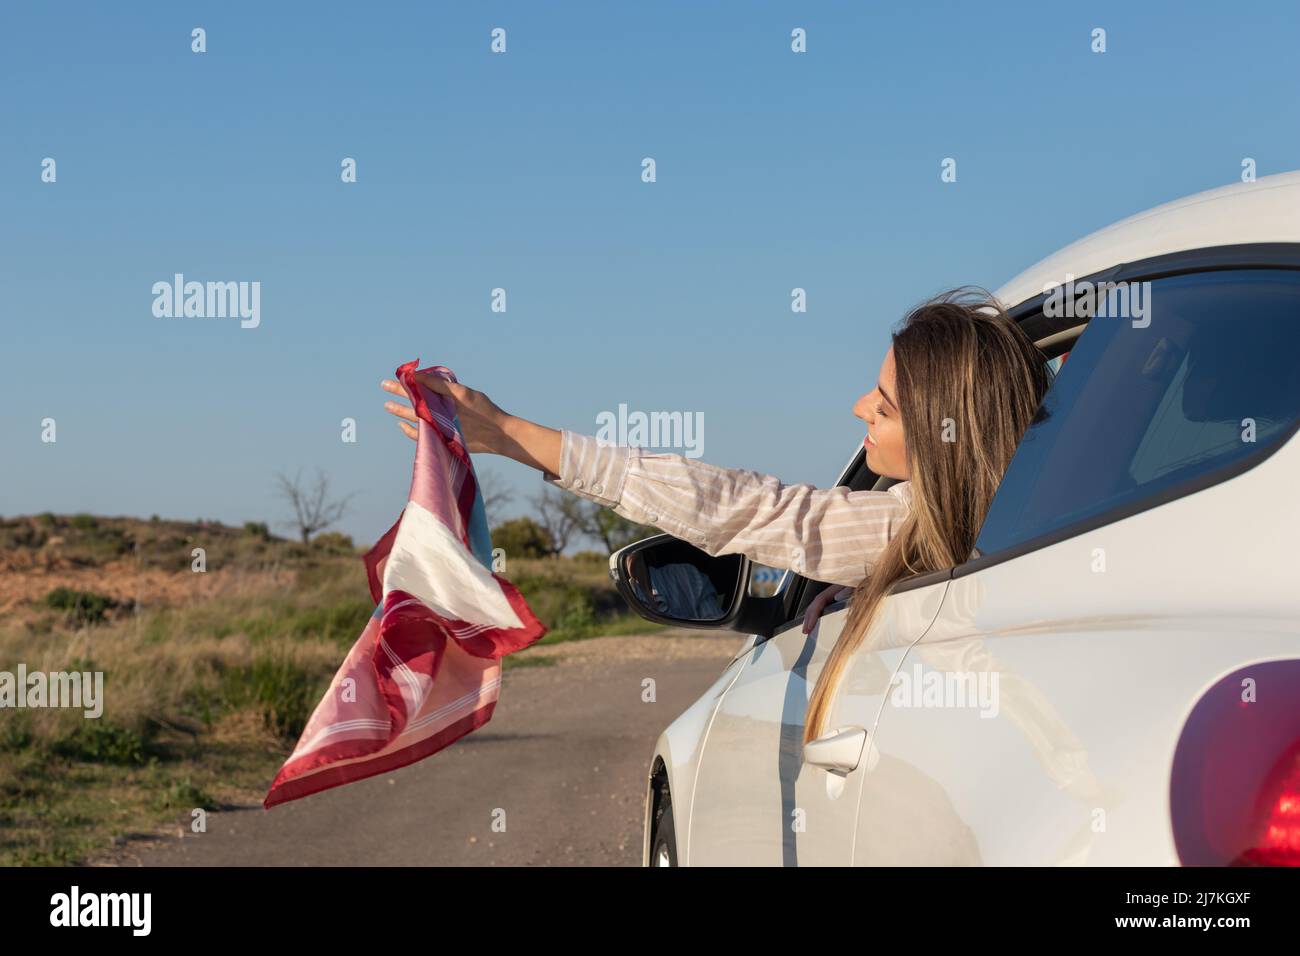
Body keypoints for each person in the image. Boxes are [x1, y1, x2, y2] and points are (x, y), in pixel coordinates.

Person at [380, 288, 1052, 745]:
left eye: (883, 407)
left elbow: (742, 510)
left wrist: (508, 433)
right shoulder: (1008, 529)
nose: (857, 409)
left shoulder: (903, 530)